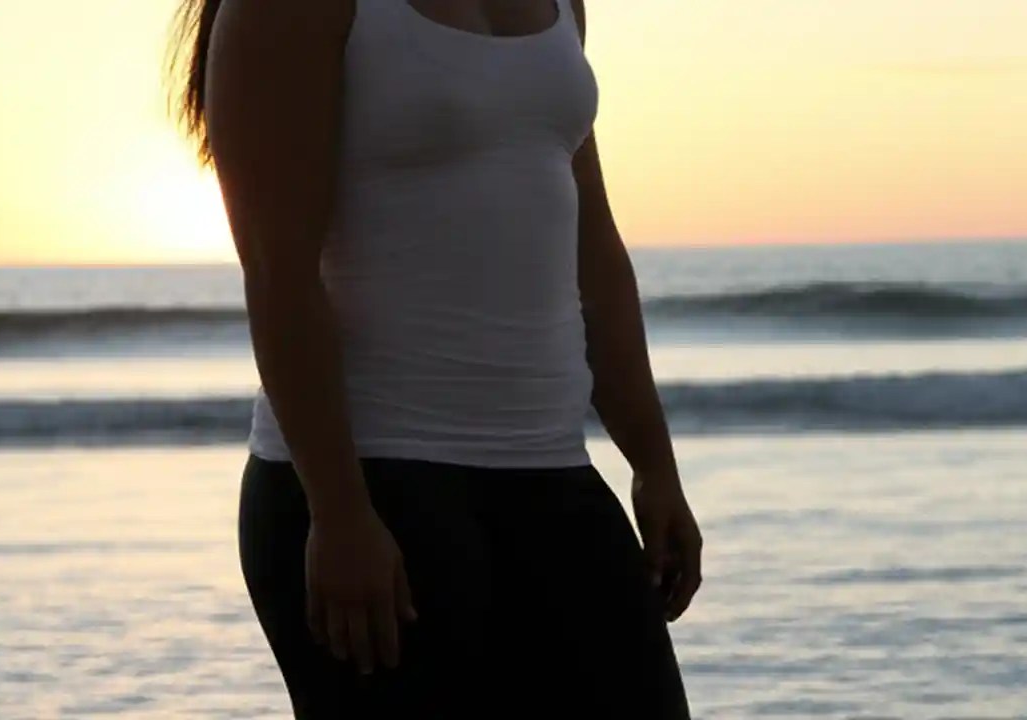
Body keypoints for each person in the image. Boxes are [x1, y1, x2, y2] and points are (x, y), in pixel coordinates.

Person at [170, 0, 702, 716]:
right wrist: (338, 511)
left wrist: (654, 464)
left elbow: (594, 251)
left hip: (551, 474)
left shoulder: (559, 7)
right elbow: (278, 273)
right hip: (376, 482)